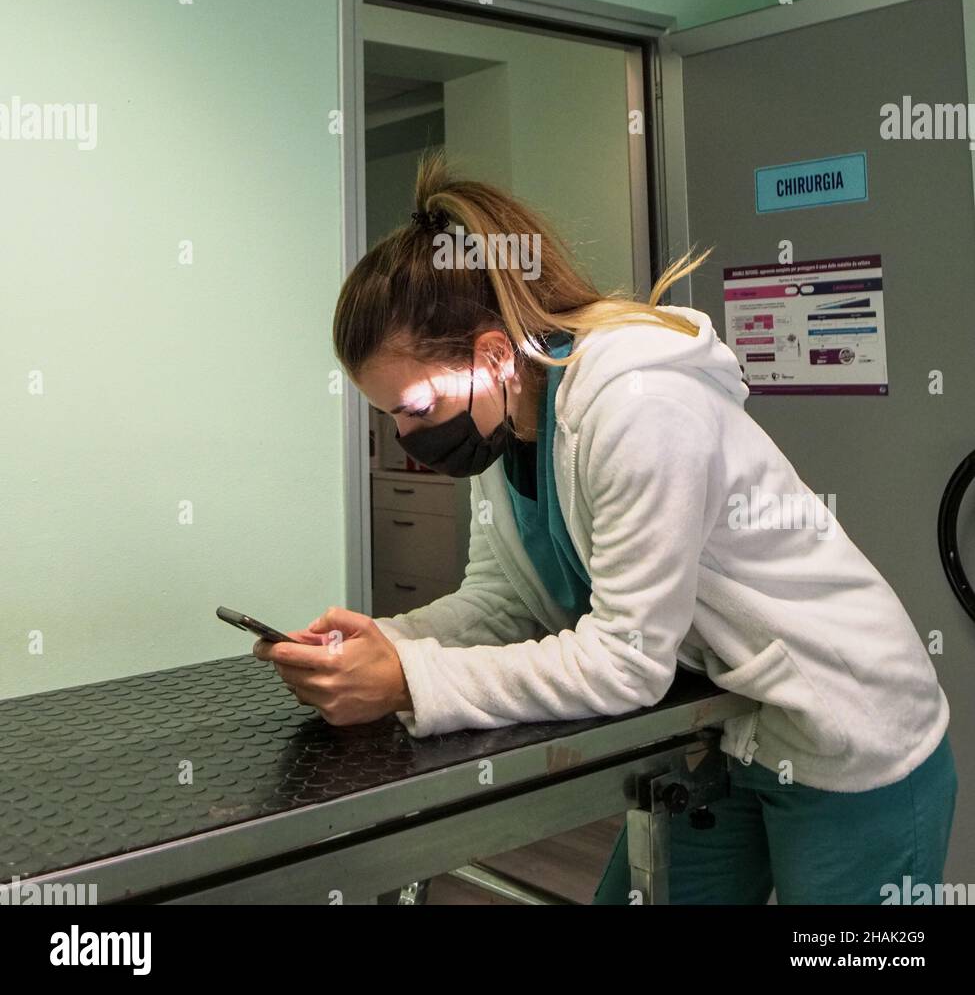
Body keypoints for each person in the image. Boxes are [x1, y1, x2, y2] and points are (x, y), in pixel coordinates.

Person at [253, 151, 957, 904]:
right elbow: (503, 604)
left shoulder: (638, 405)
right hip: (715, 733)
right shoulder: (505, 429)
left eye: (415, 407)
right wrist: (386, 643)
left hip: (843, 727)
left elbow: (625, 660)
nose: (405, 434)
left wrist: (407, 681)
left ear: (491, 356)